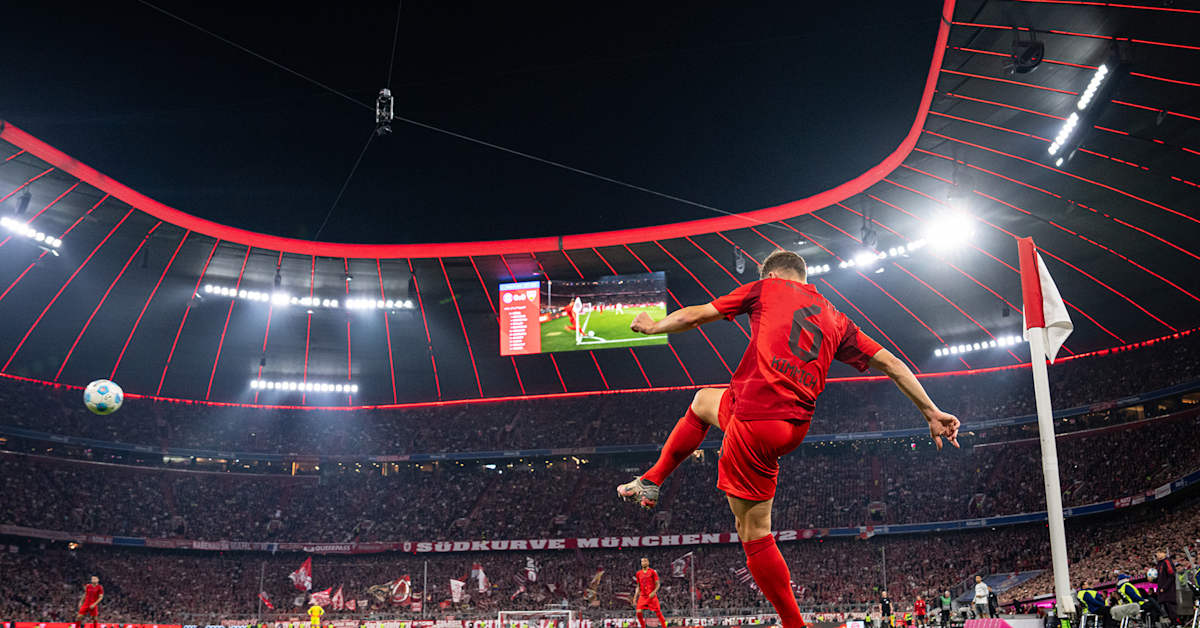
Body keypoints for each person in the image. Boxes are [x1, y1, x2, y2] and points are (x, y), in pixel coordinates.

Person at [616, 250, 960, 628]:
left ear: (773, 273)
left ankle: (794, 625)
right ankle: (651, 480)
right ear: (804, 276)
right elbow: (893, 364)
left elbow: (697, 314)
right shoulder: (837, 319)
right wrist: (930, 411)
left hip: (753, 421)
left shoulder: (765, 288)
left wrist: (653, 326)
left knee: (754, 533)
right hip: (792, 427)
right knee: (702, 401)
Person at [634, 557, 668, 628]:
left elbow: (658, 584)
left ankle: (664, 626)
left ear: (648, 562)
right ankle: (643, 626)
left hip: (651, 596)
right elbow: (638, 586)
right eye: (642, 561)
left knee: (658, 613)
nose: (644, 562)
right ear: (641, 563)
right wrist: (635, 597)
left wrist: (654, 592)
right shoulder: (638, 573)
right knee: (638, 612)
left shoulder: (652, 572)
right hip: (643, 596)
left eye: (645, 561)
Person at [1156, 551, 1178, 624]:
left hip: (1169, 591)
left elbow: (1171, 576)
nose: (1157, 555)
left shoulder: (1167, 562)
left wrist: (1164, 587)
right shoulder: (1159, 564)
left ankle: (1177, 623)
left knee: (1171, 608)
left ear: (1163, 553)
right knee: (1166, 608)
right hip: (1162, 591)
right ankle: (1172, 622)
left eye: (1159, 553)